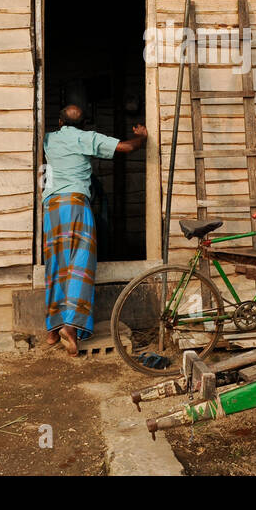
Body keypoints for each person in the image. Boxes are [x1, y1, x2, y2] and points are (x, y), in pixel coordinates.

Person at [42, 104, 147, 355]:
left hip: (52, 207)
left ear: (59, 122)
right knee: (80, 265)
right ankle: (71, 326)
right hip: (77, 205)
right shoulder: (86, 138)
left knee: (55, 265)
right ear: (85, 123)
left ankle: (52, 330)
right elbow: (127, 147)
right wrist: (142, 136)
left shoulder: (48, 139)